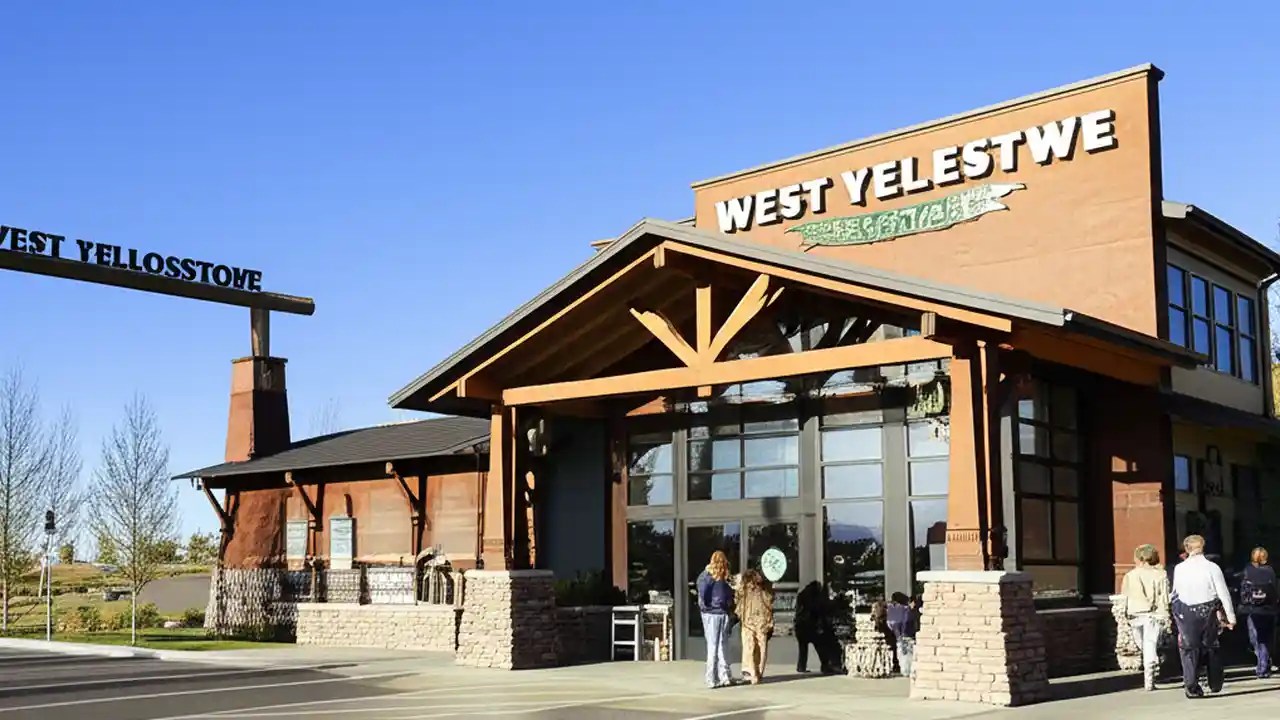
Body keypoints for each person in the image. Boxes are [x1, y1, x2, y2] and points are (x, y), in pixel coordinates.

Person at [1171, 534, 1236, 698]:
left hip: (1186, 611)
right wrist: (1230, 616)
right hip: (1208, 610)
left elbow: (1175, 593)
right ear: (1203, 547)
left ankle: (1191, 684)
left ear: (1187, 549)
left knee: (1188, 648)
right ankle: (1215, 681)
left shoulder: (1180, 568)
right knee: (1211, 646)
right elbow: (1223, 593)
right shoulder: (1212, 567)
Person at [1120, 543, 1172, 690]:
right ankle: (1151, 666)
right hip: (1154, 614)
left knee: (1144, 643)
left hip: (1136, 613)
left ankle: (1149, 678)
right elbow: (1165, 596)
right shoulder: (1161, 574)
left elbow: (1125, 595)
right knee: (1149, 644)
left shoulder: (1130, 575)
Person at [1237, 546, 1279, 679]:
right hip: (1269, 609)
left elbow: (1243, 590)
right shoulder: (1270, 571)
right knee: (1266, 638)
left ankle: (1262, 665)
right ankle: (1264, 662)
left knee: (1256, 638)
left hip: (1253, 609)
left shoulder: (1247, 571)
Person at [696, 550, 735, 689]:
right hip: (723, 612)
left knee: (712, 646)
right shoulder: (725, 576)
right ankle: (725, 676)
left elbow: (702, 592)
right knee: (722, 645)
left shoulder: (706, 575)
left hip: (710, 613)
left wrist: (705, 606)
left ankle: (711, 678)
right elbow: (730, 594)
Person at [735, 568, 774, 685]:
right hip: (763, 620)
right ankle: (759, 671)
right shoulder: (764, 588)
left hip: (748, 620)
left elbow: (737, 600)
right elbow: (771, 600)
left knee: (749, 646)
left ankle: (751, 673)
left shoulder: (745, 588)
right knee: (762, 647)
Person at [794, 581, 836, 674]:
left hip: (800, 626)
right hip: (810, 626)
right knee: (820, 647)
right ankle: (825, 665)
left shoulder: (801, 596)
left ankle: (801, 666)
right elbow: (819, 610)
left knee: (803, 649)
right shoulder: (814, 599)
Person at [886, 592, 918, 677]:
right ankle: (907, 671)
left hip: (900, 636)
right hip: (907, 636)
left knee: (903, 655)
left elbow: (893, 624)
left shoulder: (894, 610)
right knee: (907, 655)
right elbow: (907, 623)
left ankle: (905, 671)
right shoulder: (907, 611)